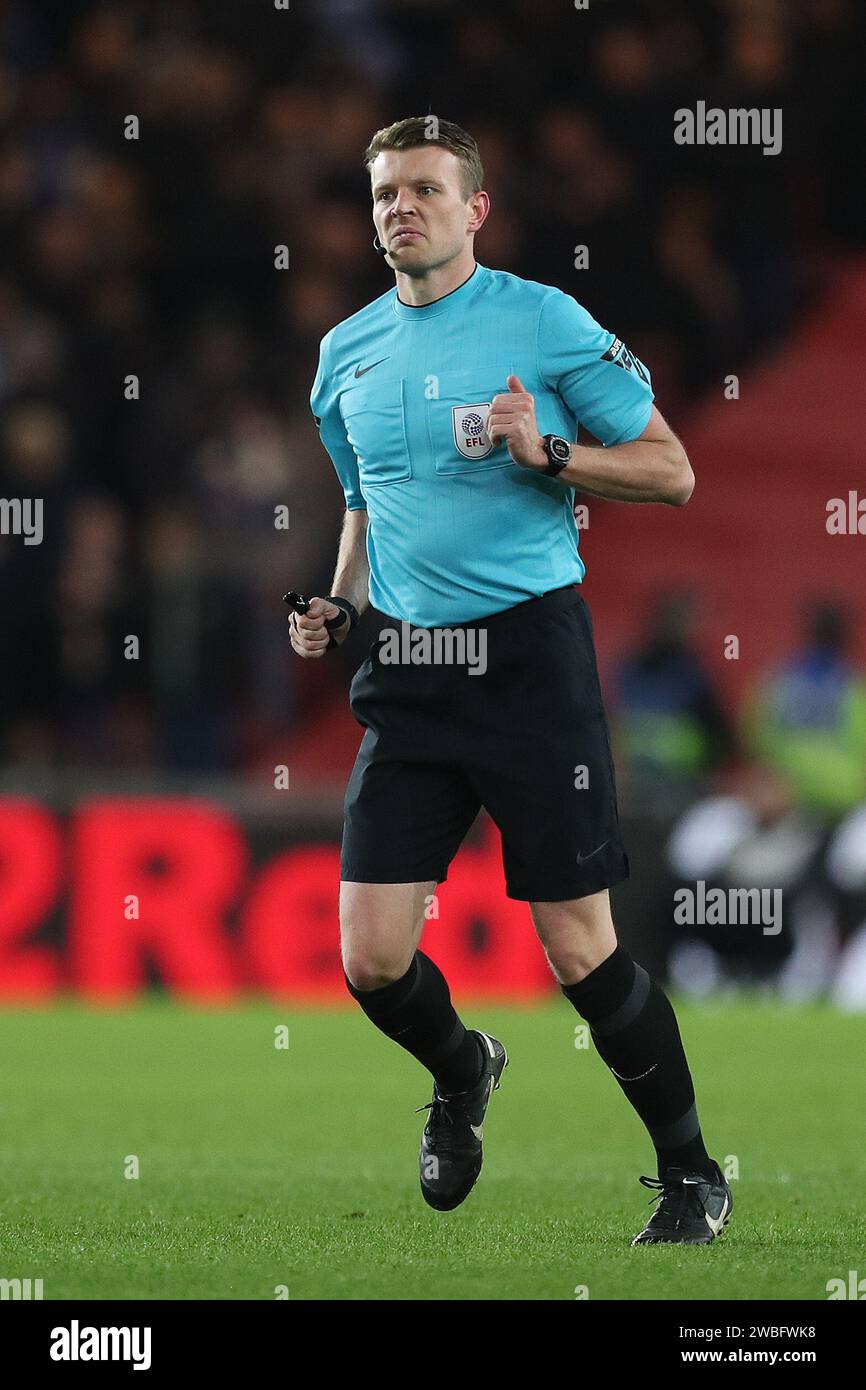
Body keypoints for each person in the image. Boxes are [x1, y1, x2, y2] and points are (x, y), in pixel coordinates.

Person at [290, 116, 731, 1245]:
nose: (403, 209)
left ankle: (690, 1174)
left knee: (578, 945)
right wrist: (339, 601)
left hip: (528, 659)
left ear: (474, 208)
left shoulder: (542, 321)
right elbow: (361, 501)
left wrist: (550, 454)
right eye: (387, 191)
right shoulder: (345, 353)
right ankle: (463, 1067)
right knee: (370, 958)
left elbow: (670, 470)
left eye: (427, 190)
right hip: (410, 665)